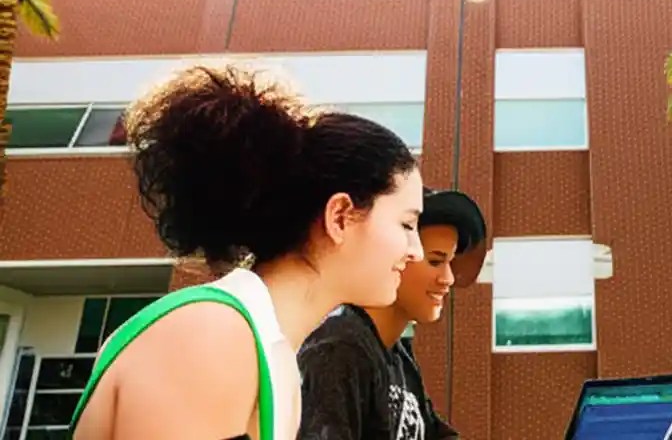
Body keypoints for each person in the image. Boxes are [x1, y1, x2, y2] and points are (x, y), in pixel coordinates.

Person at [70, 65, 426, 440]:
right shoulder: (214, 333)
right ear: (339, 216)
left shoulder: (274, 364)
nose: (415, 251)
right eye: (406, 224)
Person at [297, 187, 489, 440]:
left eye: (450, 263)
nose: (448, 278)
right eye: (435, 261)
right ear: (396, 256)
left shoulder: (398, 356)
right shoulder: (338, 350)